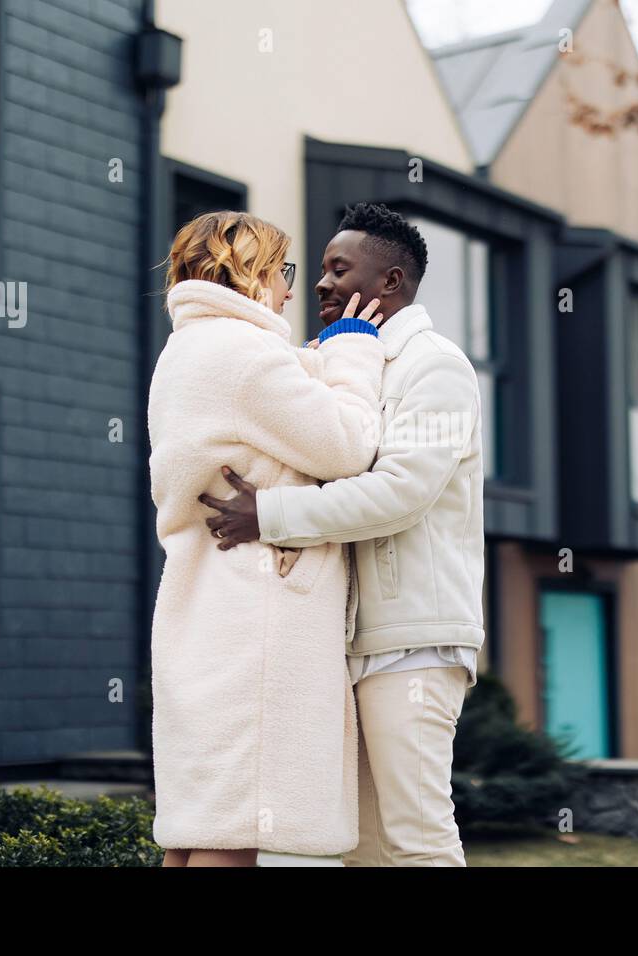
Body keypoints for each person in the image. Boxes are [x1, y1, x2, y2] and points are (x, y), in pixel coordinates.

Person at [202, 203, 485, 866]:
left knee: (416, 836)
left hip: (412, 643)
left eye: (339, 269)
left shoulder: (435, 367)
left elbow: (401, 495)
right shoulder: (336, 365)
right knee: (362, 847)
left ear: (389, 282)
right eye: (319, 271)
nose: (320, 284)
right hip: (344, 642)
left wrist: (268, 517)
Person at [148, 210, 385, 867]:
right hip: (253, 616)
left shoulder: (187, 351)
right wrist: (352, 349)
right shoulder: (242, 352)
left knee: (199, 827)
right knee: (236, 830)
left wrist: (308, 364)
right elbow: (349, 444)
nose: (290, 290)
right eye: (282, 272)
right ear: (250, 275)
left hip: (203, 609)